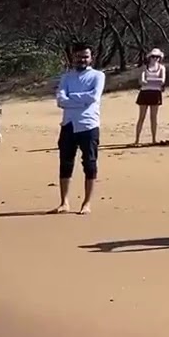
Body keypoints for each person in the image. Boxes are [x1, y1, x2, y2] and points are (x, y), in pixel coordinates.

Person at [52, 42, 105, 214]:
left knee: (89, 164)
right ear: (73, 57)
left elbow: (93, 97)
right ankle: (64, 202)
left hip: (88, 125)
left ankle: (86, 203)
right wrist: (78, 100)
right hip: (68, 125)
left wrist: (71, 98)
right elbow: (60, 100)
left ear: (91, 58)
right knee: (65, 163)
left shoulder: (98, 76)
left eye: (85, 56)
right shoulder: (66, 77)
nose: (82, 60)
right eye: (78, 56)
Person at [134, 48, 166, 145]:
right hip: (144, 93)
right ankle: (137, 140)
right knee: (141, 117)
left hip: (155, 93)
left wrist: (149, 80)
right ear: (149, 57)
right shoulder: (145, 67)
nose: (155, 58)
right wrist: (154, 81)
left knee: (154, 117)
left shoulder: (162, 67)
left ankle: (154, 139)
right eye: (153, 56)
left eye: (157, 57)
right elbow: (141, 81)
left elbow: (162, 81)